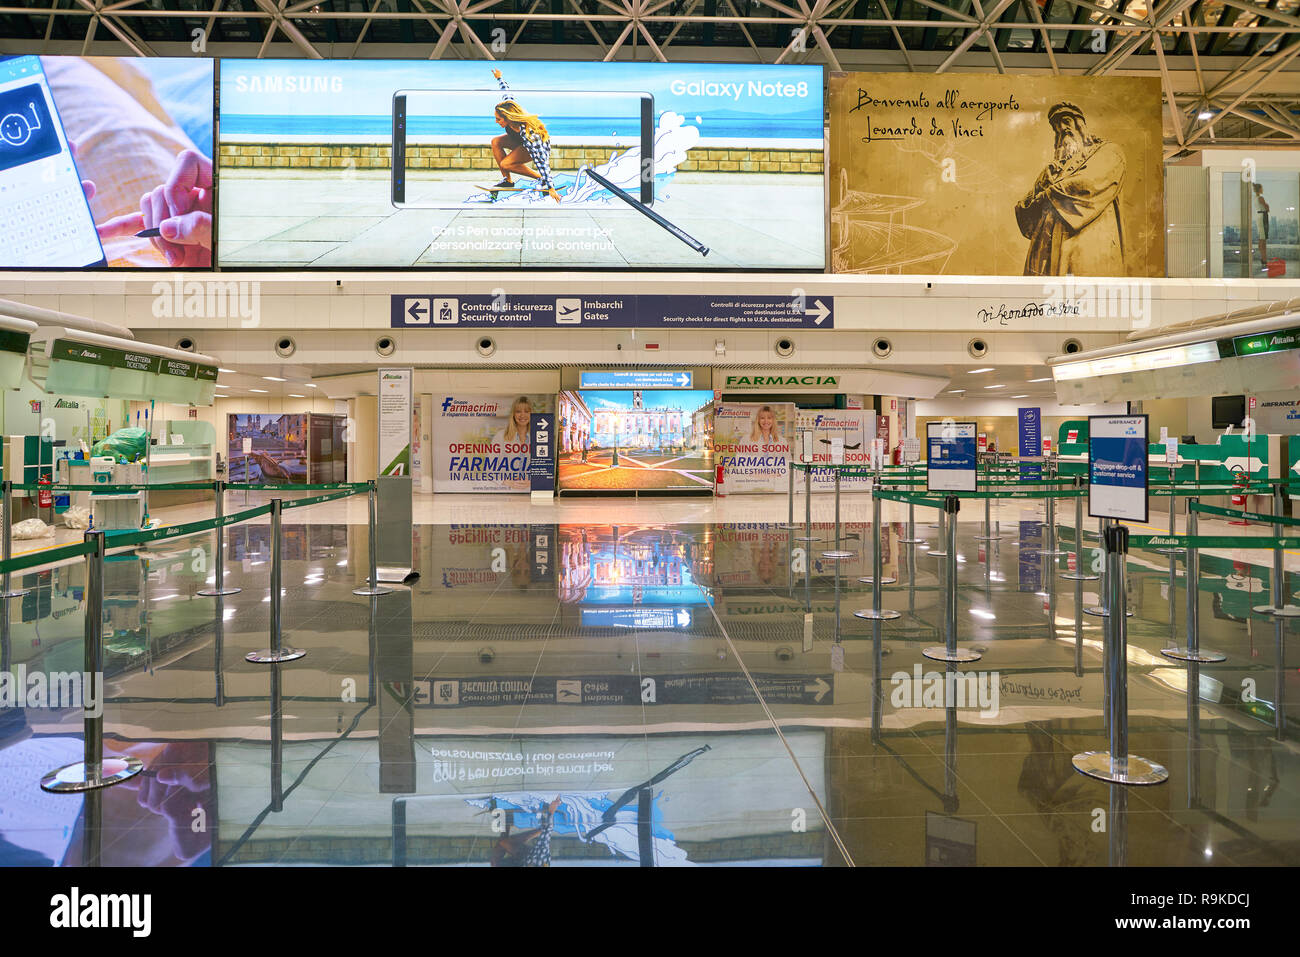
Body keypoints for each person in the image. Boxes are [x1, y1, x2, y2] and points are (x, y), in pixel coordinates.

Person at [1014, 102, 1126, 276]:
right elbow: (1026, 209)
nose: (1062, 129)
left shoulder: (1108, 151)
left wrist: (1048, 193)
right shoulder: (1051, 170)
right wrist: (1039, 190)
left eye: (1066, 121)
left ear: (1080, 124)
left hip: (1085, 243)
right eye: (1056, 127)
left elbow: (1088, 184)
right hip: (1046, 246)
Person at [490, 70, 561, 203]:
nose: (496, 122)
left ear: (508, 118)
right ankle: (507, 181)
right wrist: (499, 78)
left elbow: (542, 160)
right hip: (520, 142)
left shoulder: (530, 133)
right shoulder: (508, 106)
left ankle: (542, 179)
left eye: (498, 119)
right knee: (496, 141)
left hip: (535, 148)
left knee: (506, 164)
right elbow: (506, 92)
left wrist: (550, 187)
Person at [1253, 182, 1270, 268]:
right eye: (1262, 188)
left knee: (1261, 237)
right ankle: (1264, 259)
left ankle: (1263, 258)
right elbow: (1267, 207)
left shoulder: (1255, 198)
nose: (1262, 190)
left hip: (1259, 216)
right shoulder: (1260, 198)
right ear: (1259, 189)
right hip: (1263, 216)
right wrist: (1267, 206)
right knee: (1263, 239)